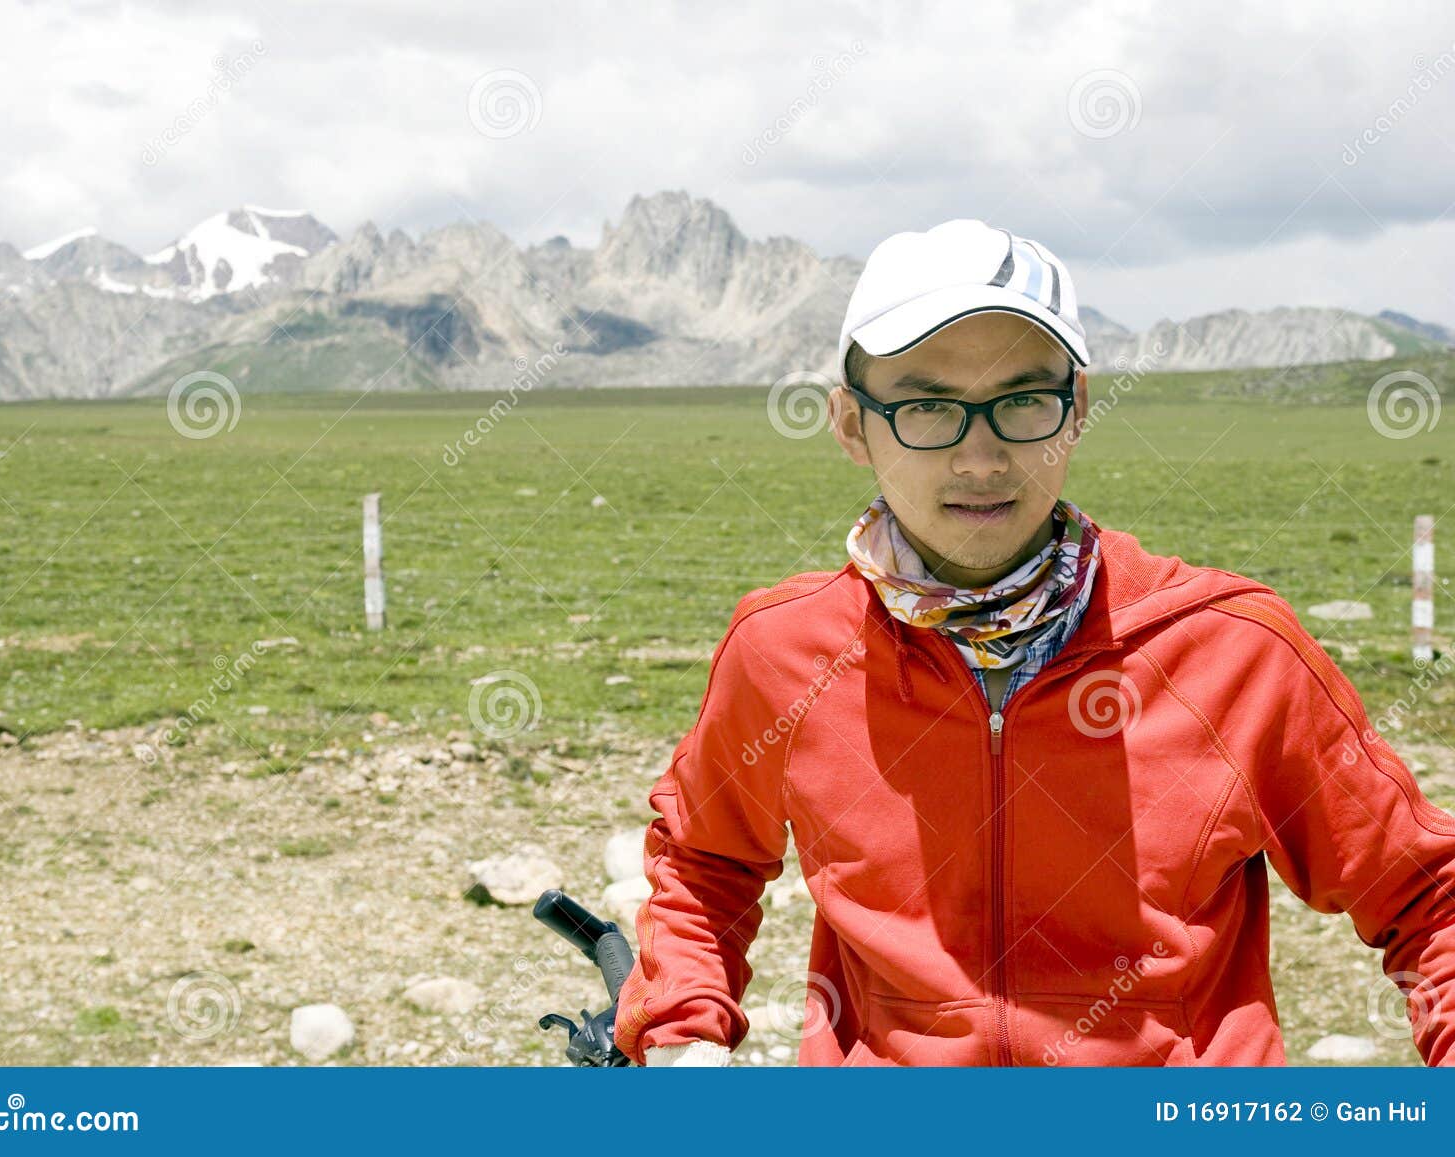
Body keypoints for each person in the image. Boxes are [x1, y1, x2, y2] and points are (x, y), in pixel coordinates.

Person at [612, 218, 1455, 1067]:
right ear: (850, 424)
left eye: (1021, 401)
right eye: (926, 406)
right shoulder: (785, 651)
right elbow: (703, 861)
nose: (981, 457)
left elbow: (1428, 898)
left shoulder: (1233, 651)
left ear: (1078, 409)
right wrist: (686, 1041)